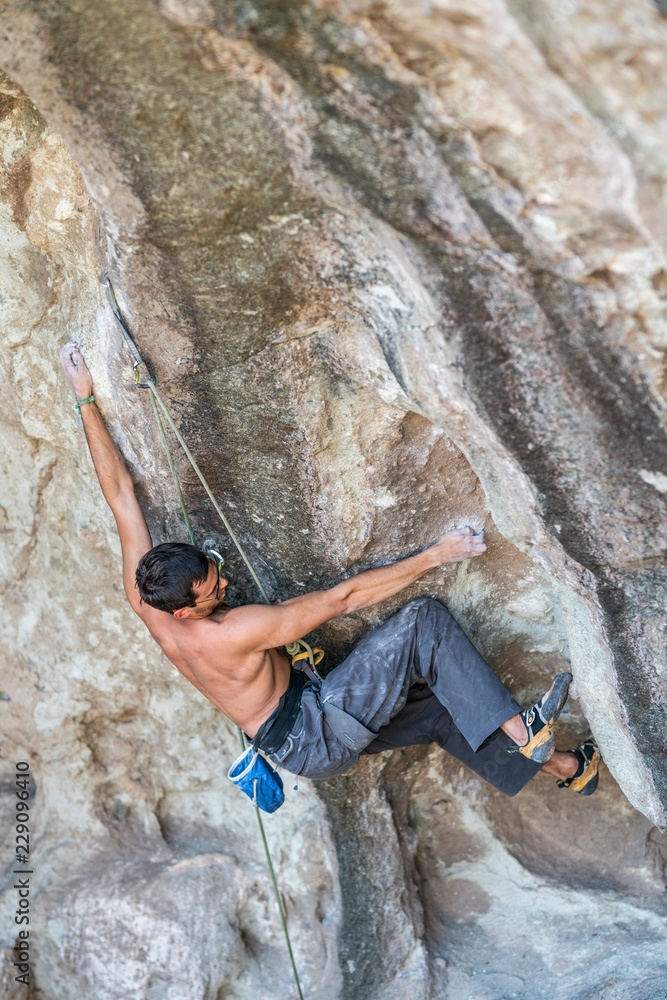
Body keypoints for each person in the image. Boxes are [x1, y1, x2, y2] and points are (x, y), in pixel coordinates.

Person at [59, 341, 601, 797]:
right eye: (211, 589)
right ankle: (524, 731)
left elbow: (122, 498)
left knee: (442, 706)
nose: (224, 582)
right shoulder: (232, 631)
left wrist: (85, 397)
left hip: (302, 743)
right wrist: (436, 555)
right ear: (187, 610)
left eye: (215, 568)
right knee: (423, 623)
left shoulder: (148, 602)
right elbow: (343, 599)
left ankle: (569, 770)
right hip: (319, 730)